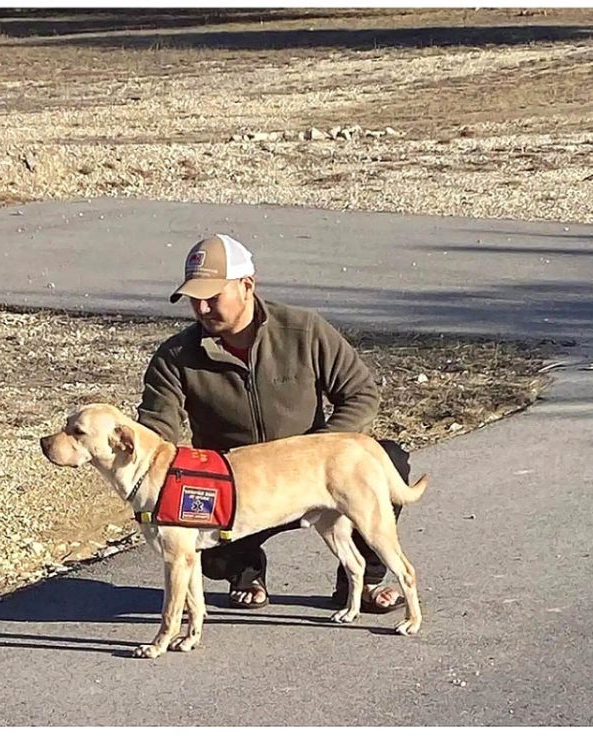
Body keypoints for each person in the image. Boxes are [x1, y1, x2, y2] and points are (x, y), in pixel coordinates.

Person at [137, 234, 411, 612]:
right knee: (200, 532)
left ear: (247, 285)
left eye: (212, 296)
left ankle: (365, 581)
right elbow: (156, 431)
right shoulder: (175, 356)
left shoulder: (304, 330)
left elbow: (361, 394)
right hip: (238, 487)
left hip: (310, 475)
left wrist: (319, 450)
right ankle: (246, 572)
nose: (201, 307)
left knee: (388, 460)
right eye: (193, 299)